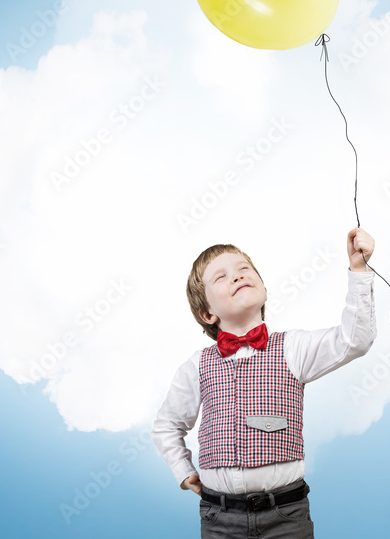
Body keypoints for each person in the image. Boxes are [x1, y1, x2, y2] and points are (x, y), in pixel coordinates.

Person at [152, 227, 377, 538]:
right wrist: (183, 470)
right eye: (221, 277)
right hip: (219, 518)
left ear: (264, 288)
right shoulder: (196, 366)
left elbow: (355, 340)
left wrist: (359, 269)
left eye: (244, 268)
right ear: (206, 313)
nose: (237, 275)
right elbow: (166, 425)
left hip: (286, 515)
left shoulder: (293, 348)